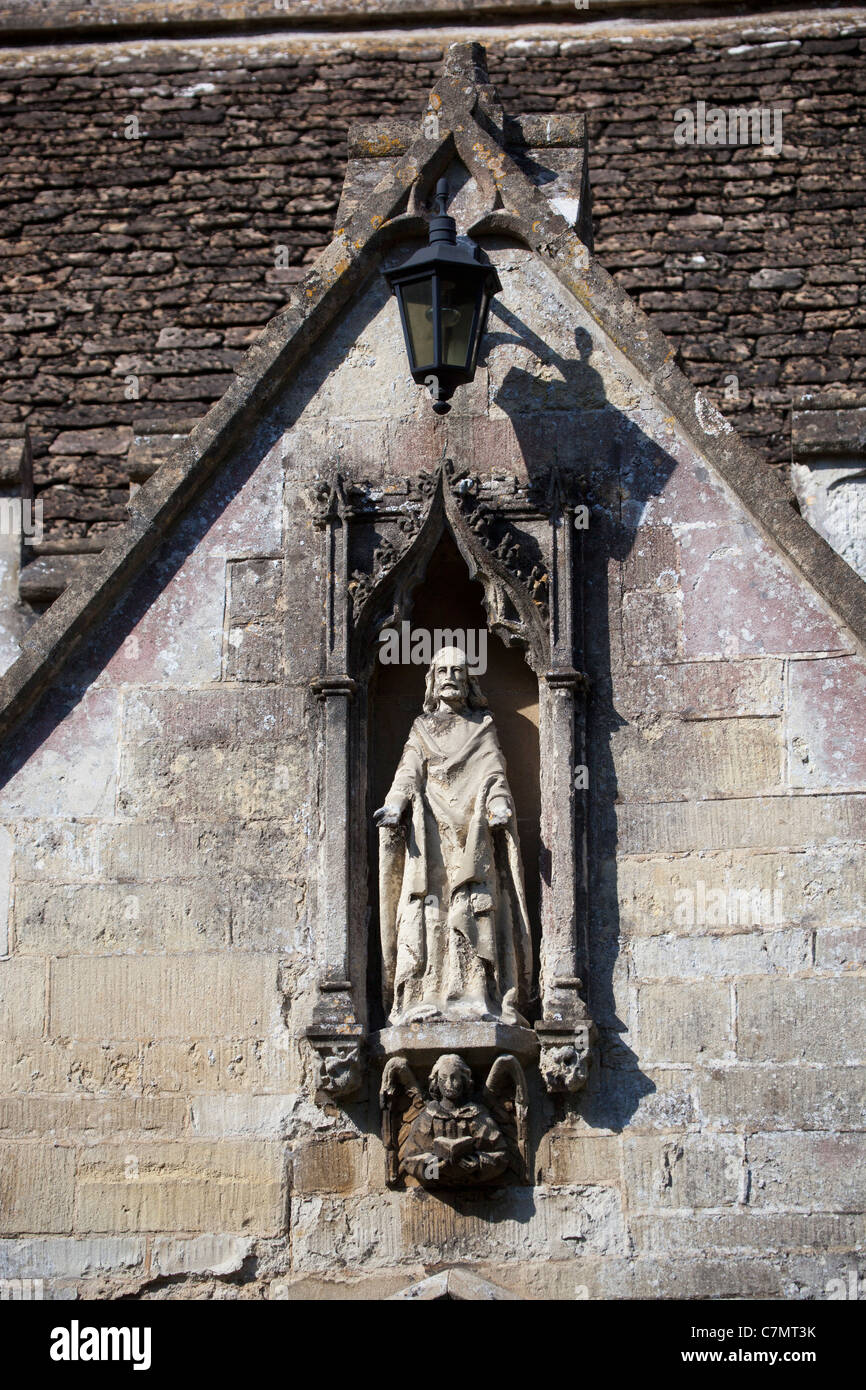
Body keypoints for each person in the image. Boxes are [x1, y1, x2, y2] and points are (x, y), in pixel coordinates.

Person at [375, 646, 532, 1024]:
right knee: (427, 911)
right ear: (432, 679)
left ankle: (477, 996)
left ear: (468, 680)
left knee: (474, 906)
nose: (449, 676)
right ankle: (422, 997)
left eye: (457, 671)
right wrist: (396, 803)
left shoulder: (483, 727)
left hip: (472, 832)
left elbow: (494, 773)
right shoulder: (422, 729)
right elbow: (408, 772)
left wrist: (498, 805)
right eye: (441, 670)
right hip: (430, 835)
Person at [400, 1054, 508, 1185]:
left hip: (473, 1187)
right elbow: (409, 1159)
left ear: (464, 1080)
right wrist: (433, 1167)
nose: (449, 1084)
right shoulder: (429, 1116)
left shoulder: (477, 1115)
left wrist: (478, 1163)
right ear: (436, 1082)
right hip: (437, 1186)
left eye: (454, 1078)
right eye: (443, 1078)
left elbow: (501, 1156)